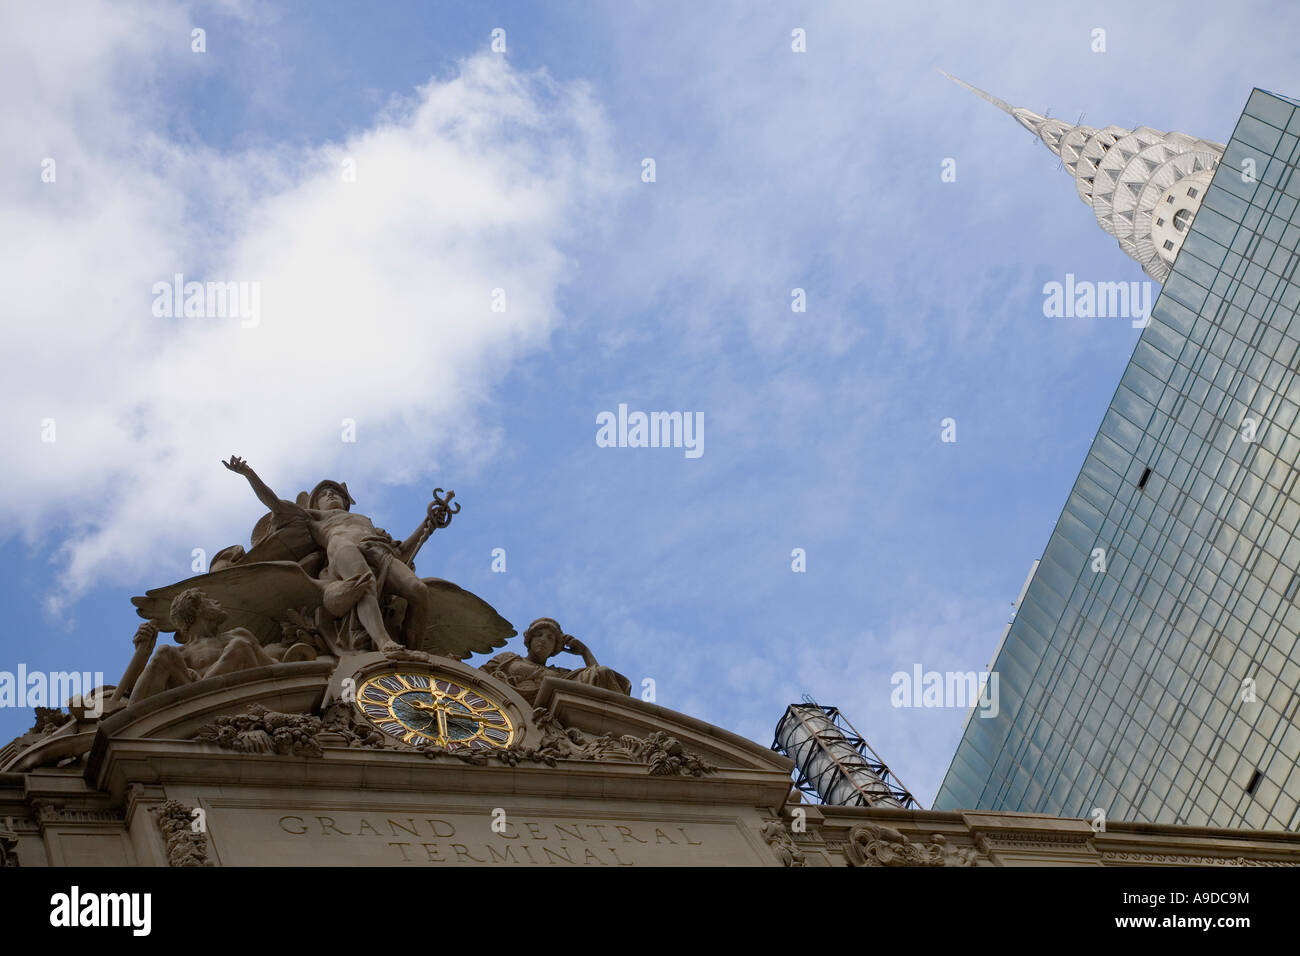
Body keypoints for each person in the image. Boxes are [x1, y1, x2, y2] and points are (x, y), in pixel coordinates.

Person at [222, 456, 431, 652]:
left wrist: (428, 524)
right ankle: (384, 642)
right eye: (323, 494)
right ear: (315, 503)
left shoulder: (366, 522)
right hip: (341, 546)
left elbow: (402, 552)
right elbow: (274, 503)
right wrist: (250, 474)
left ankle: (413, 653)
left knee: (419, 590)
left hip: (377, 549)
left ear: (346, 501)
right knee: (362, 583)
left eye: (335, 492)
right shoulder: (314, 517)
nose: (330, 494)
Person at [482, 617, 631, 705]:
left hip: (546, 714)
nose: (543, 640)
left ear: (555, 648)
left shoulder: (560, 674)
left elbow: (599, 679)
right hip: (506, 708)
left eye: (550, 638)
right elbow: (478, 675)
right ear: (530, 639)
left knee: (604, 671)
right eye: (539, 635)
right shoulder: (508, 658)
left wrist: (585, 652)